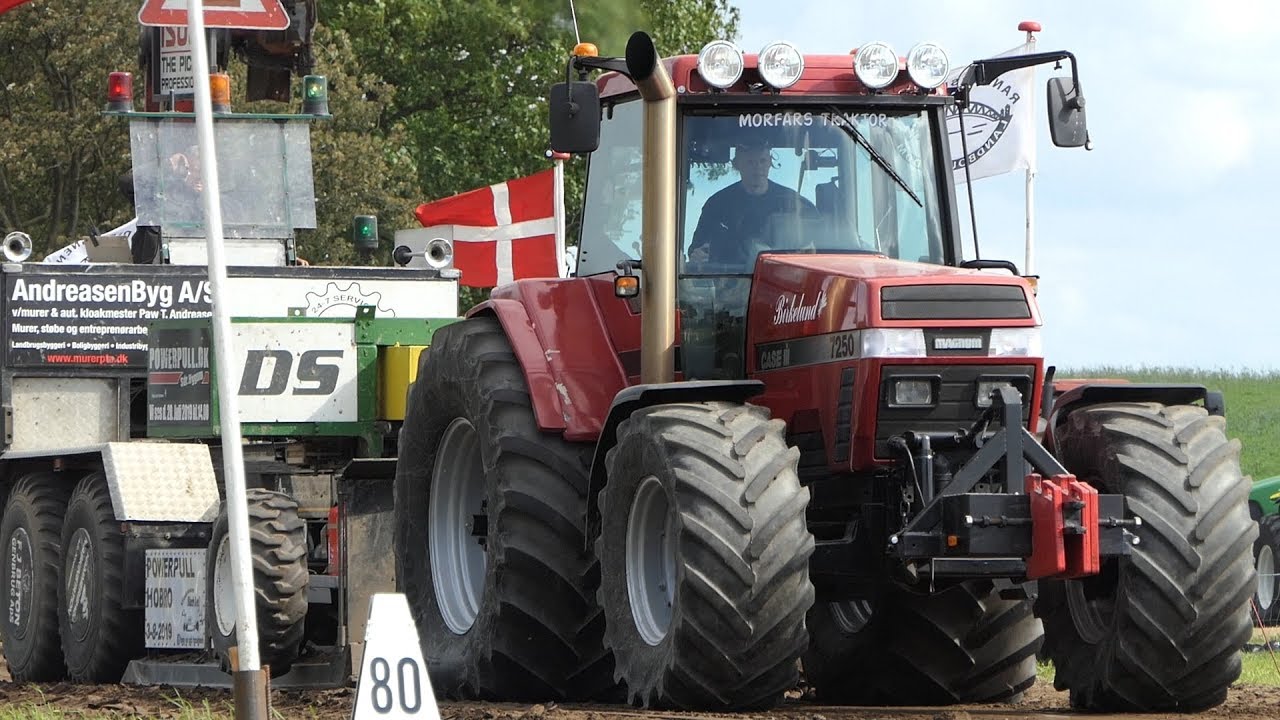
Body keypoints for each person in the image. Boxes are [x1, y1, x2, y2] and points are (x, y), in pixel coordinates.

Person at [688, 137, 818, 269]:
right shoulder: (717, 205)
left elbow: (816, 253)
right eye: (750, 162)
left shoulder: (796, 204)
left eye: (762, 161)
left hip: (784, 278)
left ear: (770, 163)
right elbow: (697, 251)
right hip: (730, 279)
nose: (758, 167)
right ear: (737, 164)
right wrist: (699, 256)